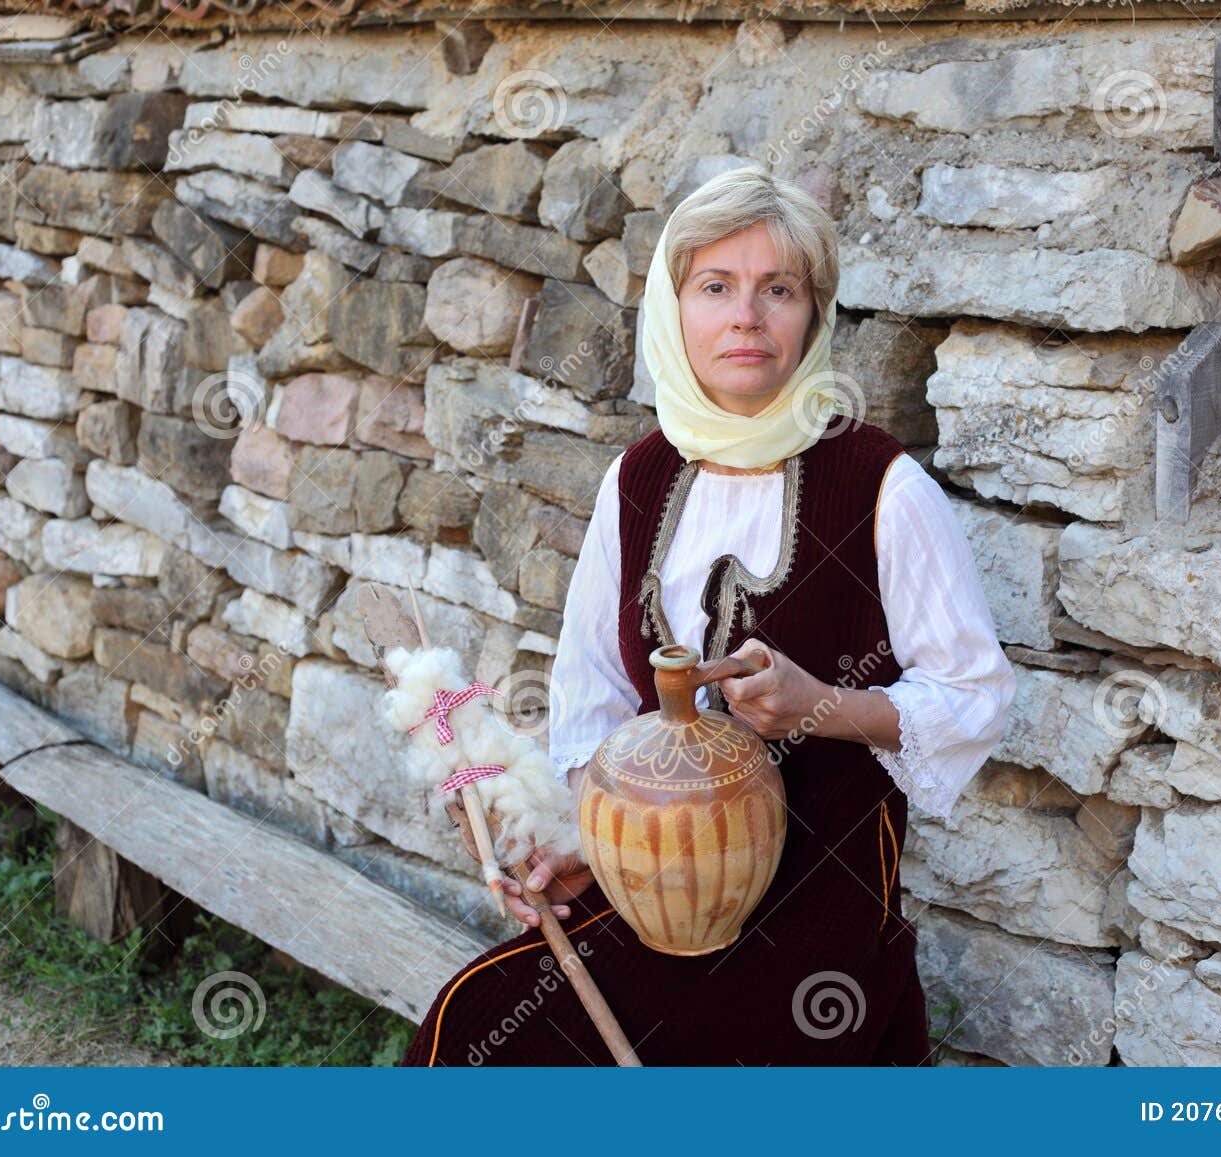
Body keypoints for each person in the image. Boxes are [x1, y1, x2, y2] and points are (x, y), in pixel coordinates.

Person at [400, 163, 1016, 1066]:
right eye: (716, 287)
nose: (747, 317)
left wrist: (821, 704)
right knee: (476, 1027)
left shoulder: (882, 485)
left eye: (779, 289)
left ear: (815, 312)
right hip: (654, 896)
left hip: (818, 912)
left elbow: (974, 697)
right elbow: (593, 694)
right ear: (672, 305)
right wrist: (585, 850)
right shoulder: (641, 478)